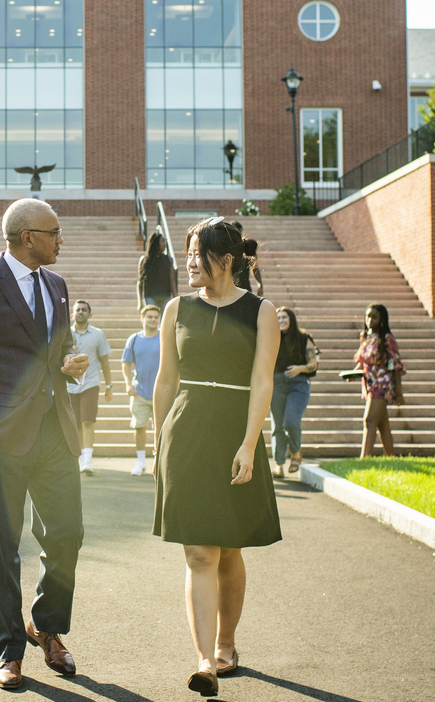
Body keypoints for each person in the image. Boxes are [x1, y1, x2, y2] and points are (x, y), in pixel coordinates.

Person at [0, 198, 90, 690]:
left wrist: (70, 362)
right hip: (3, 437)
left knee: (67, 534)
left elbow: (60, 348)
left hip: (57, 431)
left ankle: (46, 625)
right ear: (28, 237)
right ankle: (9, 650)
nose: (61, 240)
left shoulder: (57, 285)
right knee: (4, 549)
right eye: (54, 232)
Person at [151, 217, 280, 697]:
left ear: (226, 261)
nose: (188, 263)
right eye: (186, 254)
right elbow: (166, 379)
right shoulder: (176, 309)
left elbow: (262, 381)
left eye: (196, 255)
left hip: (235, 432)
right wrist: (159, 440)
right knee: (199, 551)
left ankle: (227, 642)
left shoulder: (261, 311)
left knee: (229, 549)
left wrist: (249, 443)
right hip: (185, 433)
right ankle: (205, 660)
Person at [66, 300, 113, 476]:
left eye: (84, 310)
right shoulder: (65, 334)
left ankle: (87, 460)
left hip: (90, 383)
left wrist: (109, 385)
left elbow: (105, 361)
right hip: (69, 385)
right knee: (75, 422)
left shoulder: (98, 334)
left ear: (90, 314)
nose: (80, 312)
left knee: (87, 420)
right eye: (77, 309)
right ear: (72, 314)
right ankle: (78, 457)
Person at [271, 306, 318, 478]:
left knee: (291, 421)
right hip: (276, 383)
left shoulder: (304, 338)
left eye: (284, 317)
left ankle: (296, 453)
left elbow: (313, 365)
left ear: (291, 319)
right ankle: (279, 465)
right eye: (278, 318)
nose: (281, 320)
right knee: (277, 426)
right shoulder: (270, 338)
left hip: (298, 384)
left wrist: (299, 369)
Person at [355, 303, 404, 458]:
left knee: (369, 420)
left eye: (374, 317)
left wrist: (399, 392)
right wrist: (353, 373)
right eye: (368, 316)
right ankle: (392, 457)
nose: (370, 320)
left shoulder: (386, 338)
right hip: (370, 384)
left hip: (382, 384)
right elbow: (362, 363)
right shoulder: (366, 337)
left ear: (382, 319)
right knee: (383, 424)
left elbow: (395, 365)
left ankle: (364, 458)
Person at [122, 305, 162, 476]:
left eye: (156, 317)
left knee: (161, 430)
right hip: (140, 391)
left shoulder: (164, 337)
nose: (153, 320)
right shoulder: (134, 339)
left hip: (162, 393)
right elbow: (126, 363)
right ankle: (141, 462)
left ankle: (160, 461)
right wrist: (128, 383)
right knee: (139, 427)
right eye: (150, 317)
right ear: (142, 318)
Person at [136, 232, 179, 311]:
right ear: (155, 243)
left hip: (165, 296)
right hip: (150, 296)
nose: (165, 244)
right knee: (153, 316)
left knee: (165, 318)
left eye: (165, 241)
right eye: (162, 241)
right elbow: (140, 282)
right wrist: (140, 302)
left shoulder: (168, 259)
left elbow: (172, 280)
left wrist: (175, 297)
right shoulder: (144, 260)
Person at [230, 220, 264, 296]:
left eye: (237, 231)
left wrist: (260, 284)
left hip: (244, 288)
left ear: (241, 231)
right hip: (230, 289)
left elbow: (255, 267)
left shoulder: (247, 247)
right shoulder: (228, 247)